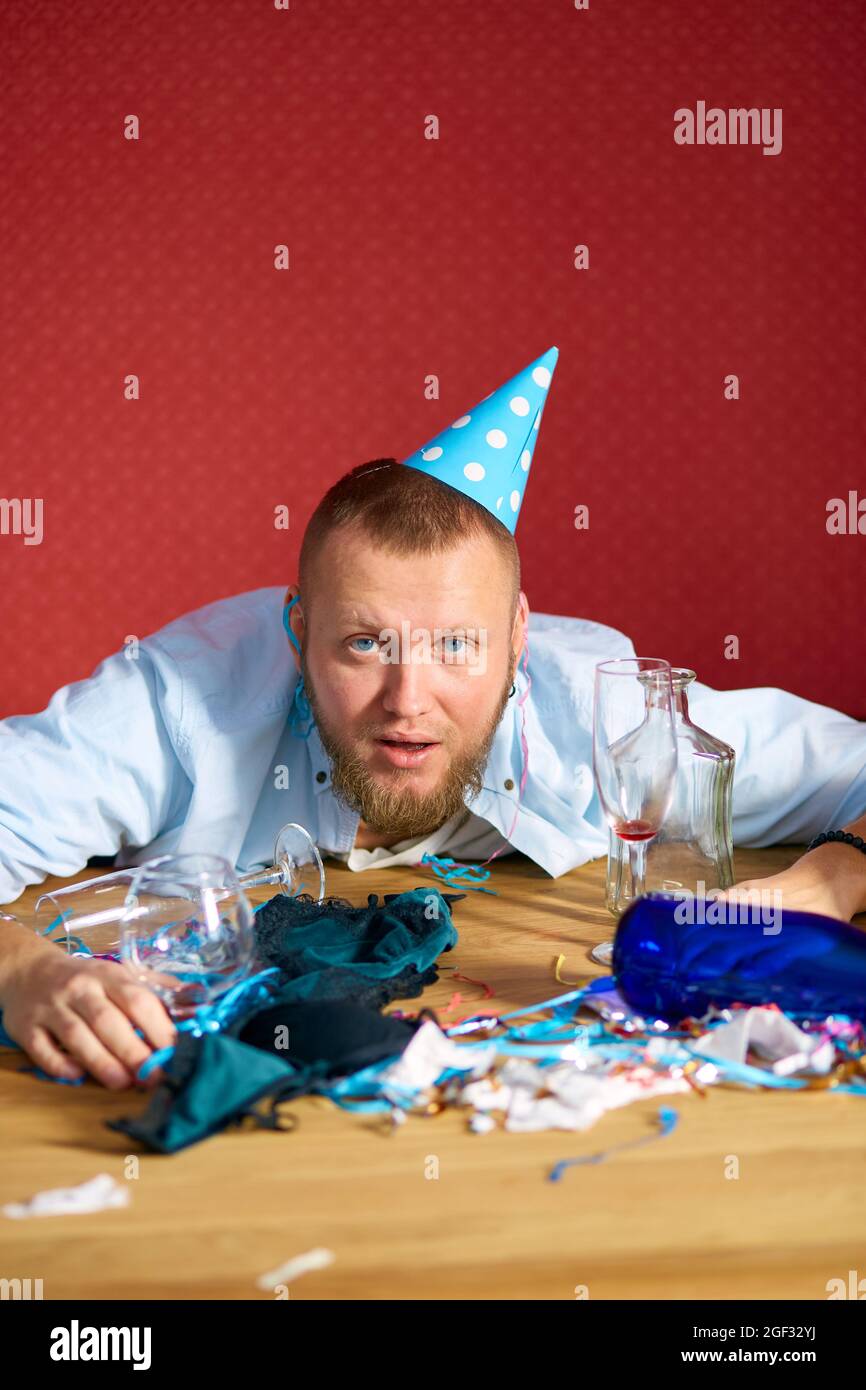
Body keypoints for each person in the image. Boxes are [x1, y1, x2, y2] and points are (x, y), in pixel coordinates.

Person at [1, 349, 864, 1089]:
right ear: (299, 632)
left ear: (519, 638)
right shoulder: (181, 702)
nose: (408, 700)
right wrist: (22, 970)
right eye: (365, 643)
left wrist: (835, 879)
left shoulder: (605, 718)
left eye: (457, 645)